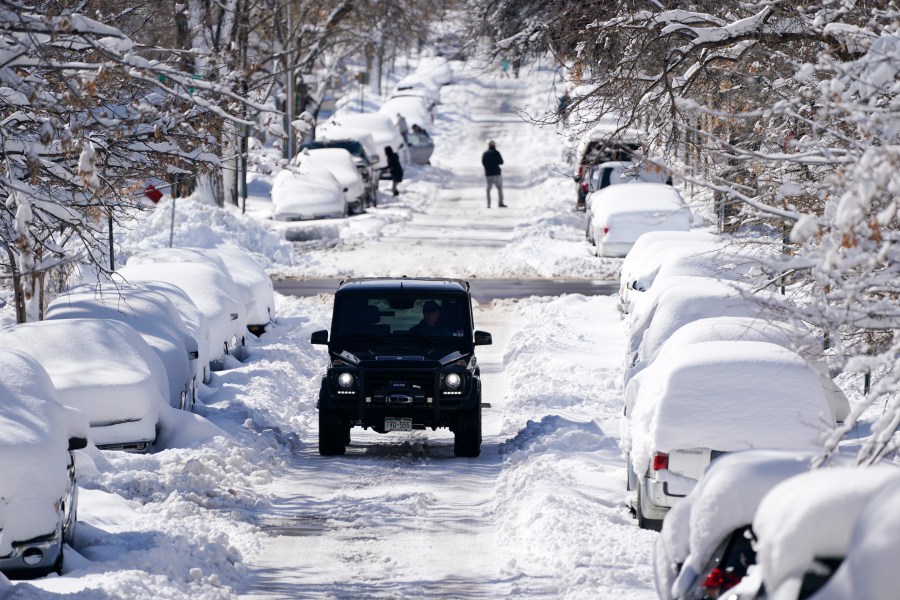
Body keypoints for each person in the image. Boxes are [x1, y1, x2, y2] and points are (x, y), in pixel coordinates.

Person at [482, 140, 506, 208]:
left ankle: (488, 204)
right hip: (497, 174)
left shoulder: (485, 153)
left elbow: (483, 163)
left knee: (488, 190)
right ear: (494, 145)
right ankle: (500, 203)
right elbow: (501, 162)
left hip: (488, 174)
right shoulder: (497, 153)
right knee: (499, 189)